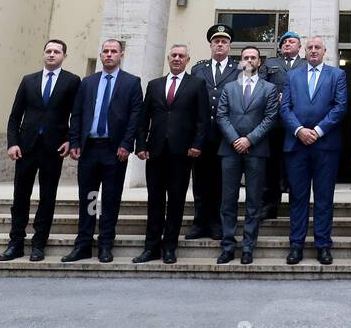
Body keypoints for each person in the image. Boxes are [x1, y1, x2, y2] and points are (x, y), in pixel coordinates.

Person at [63, 39, 144, 264]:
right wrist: (75, 141)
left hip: (114, 150)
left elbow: (135, 118)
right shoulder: (88, 83)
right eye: (105, 51)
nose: (109, 55)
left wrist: (127, 145)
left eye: (113, 52)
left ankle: (106, 244)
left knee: (110, 199)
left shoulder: (131, 82)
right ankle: (84, 244)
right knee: (89, 198)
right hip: (89, 149)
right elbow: (77, 114)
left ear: (121, 55)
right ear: (101, 55)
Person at [1, 40, 81, 262]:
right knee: (20, 196)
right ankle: (16, 242)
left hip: (53, 148)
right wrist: (12, 143)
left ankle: (39, 243)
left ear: (64, 56)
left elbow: (77, 115)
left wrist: (69, 140)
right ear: (43, 54)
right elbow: (14, 116)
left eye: (56, 52)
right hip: (26, 148)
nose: (52, 55)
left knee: (47, 197)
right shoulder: (29, 80)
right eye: (48, 51)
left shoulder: (72, 81)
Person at [133, 43, 208, 265]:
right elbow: (143, 118)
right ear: (168, 58)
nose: (177, 58)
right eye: (173, 55)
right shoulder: (154, 85)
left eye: (181, 56)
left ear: (187, 60)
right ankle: (151, 247)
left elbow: (202, 120)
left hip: (182, 153)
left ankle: (169, 247)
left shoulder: (197, 84)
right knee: (154, 200)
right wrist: (141, 145)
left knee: (176, 201)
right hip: (155, 152)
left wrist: (197, 145)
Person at [280, 35, 348, 265]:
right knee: (298, 198)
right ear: (304, 51)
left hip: (325, 147)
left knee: (323, 198)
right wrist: (299, 130)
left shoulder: (337, 75)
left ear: (325, 50)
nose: (313, 51)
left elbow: (340, 107)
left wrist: (317, 131)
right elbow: (285, 107)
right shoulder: (292, 75)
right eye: (309, 47)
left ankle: (323, 245)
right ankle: (296, 245)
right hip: (297, 146)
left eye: (317, 47)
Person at [215, 46, 280, 264]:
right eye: (245, 57)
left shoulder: (269, 88)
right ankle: (227, 246)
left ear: (259, 62)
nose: (249, 60)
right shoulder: (229, 87)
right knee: (228, 201)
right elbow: (221, 115)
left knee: (254, 201)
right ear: (240, 62)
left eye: (253, 57)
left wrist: (249, 140)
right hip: (229, 150)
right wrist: (236, 139)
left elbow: (270, 118)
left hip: (257, 150)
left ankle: (248, 247)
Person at [188, 25, 239, 240]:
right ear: (210, 45)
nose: (220, 44)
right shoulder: (198, 69)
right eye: (216, 41)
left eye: (224, 41)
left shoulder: (238, 69)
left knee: (221, 181)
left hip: (225, 135)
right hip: (202, 134)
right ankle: (199, 223)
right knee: (200, 181)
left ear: (229, 46)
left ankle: (217, 223)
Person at [260, 30, 304, 219]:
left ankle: (296, 205)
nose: (287, 44)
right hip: (275, 124)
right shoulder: (270, 63)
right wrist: (273, 97)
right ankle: (270, 204)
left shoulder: (306, 64)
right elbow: (259, 85)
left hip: (298, 124)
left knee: (296, 166)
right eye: (284, 42)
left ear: (299, 46)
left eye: (291, 41)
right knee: (272, 166)